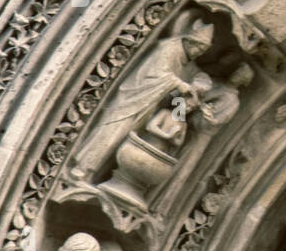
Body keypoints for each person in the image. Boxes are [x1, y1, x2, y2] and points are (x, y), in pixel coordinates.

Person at [69, 16, 214, 180]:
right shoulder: (168, 49)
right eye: (199, 49)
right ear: (189, 42)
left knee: (124, 137)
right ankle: (83, 166)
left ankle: (94, 173)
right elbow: (157, 73)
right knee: (112, 132)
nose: (198, 53)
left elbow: (194, 80)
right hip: (132, 99)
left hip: (146, 103)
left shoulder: (184, 61)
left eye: (202, 52)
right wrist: (180, 84)